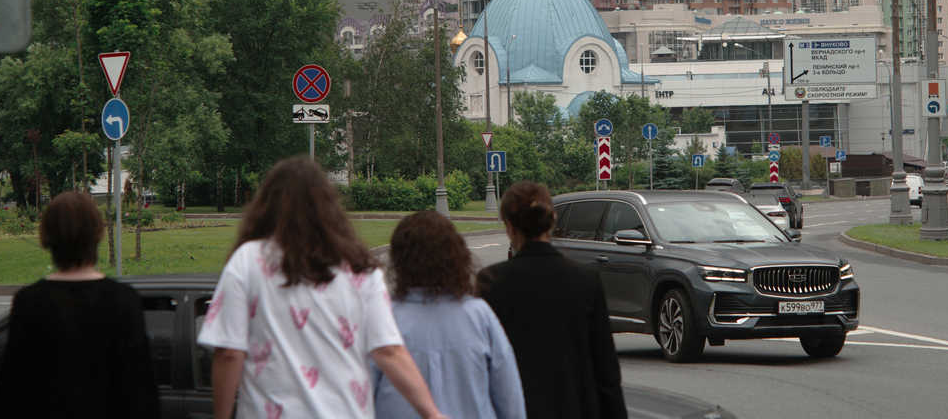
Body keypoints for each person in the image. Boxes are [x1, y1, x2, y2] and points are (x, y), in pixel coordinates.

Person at [198, 156, 449, 419]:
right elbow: (389, 351)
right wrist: (431, 413)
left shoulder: (247, 261)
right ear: (328, 205)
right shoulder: (361, 268)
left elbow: (228, 353)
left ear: (266, 205)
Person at [0, 191, 160, 419]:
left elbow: (11, 392)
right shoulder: (123, 299)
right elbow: (140, 392)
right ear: (97, 233)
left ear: (47, 236)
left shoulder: (29, 302)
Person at [478, 182, 627, 419]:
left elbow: (481, 366)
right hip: (576, 409)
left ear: (509, 226)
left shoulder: (491, 282)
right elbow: (605, 368)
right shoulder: (585, 279)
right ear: (552, 220)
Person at [373, 211, 526, 419]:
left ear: (399, 259)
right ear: (455, 255)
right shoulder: (479, 315)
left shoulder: (382, 318)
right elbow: (509, 397)